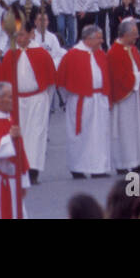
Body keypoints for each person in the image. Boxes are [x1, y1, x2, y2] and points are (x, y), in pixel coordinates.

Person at [1, 22, 56, 184]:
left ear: (32, 33)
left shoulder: (41, 53)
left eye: (22, 34)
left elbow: (50, 81)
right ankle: (19, 167)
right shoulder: (11, 54)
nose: (19, 38)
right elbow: (4, 79)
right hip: (16, 100)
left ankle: (33, 169)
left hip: (37, 99)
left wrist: (46, 100)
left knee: (36, 134)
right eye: (17, 35)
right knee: (18, 133)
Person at [58, 25, 113, 178]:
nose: (102, 41)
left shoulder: (101, 54)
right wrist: (69, 100)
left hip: (99, 99)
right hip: (80, 100)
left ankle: (99, 167)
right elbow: (62, 82)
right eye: (99, 38)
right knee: (80, 135)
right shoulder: (73, 55)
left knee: (100, 134)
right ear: (88, 39)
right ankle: (78, 167)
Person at [108, 19, 140, 174]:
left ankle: (139, 161)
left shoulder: (133, 49)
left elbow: (136, 68)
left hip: (136, 97)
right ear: (125, 34)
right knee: (125, 130)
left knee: (139, 129)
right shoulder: (115, 51)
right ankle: (124, 162)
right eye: (134, 35)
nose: (137, 37)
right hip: (125, 99)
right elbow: (119, 77)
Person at [0, 82, 30, 219]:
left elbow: (20, 152)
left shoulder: (9, 118)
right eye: (10, 97)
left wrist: (24, 180)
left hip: (13, 181)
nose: (14, 100)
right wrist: (9, 139)